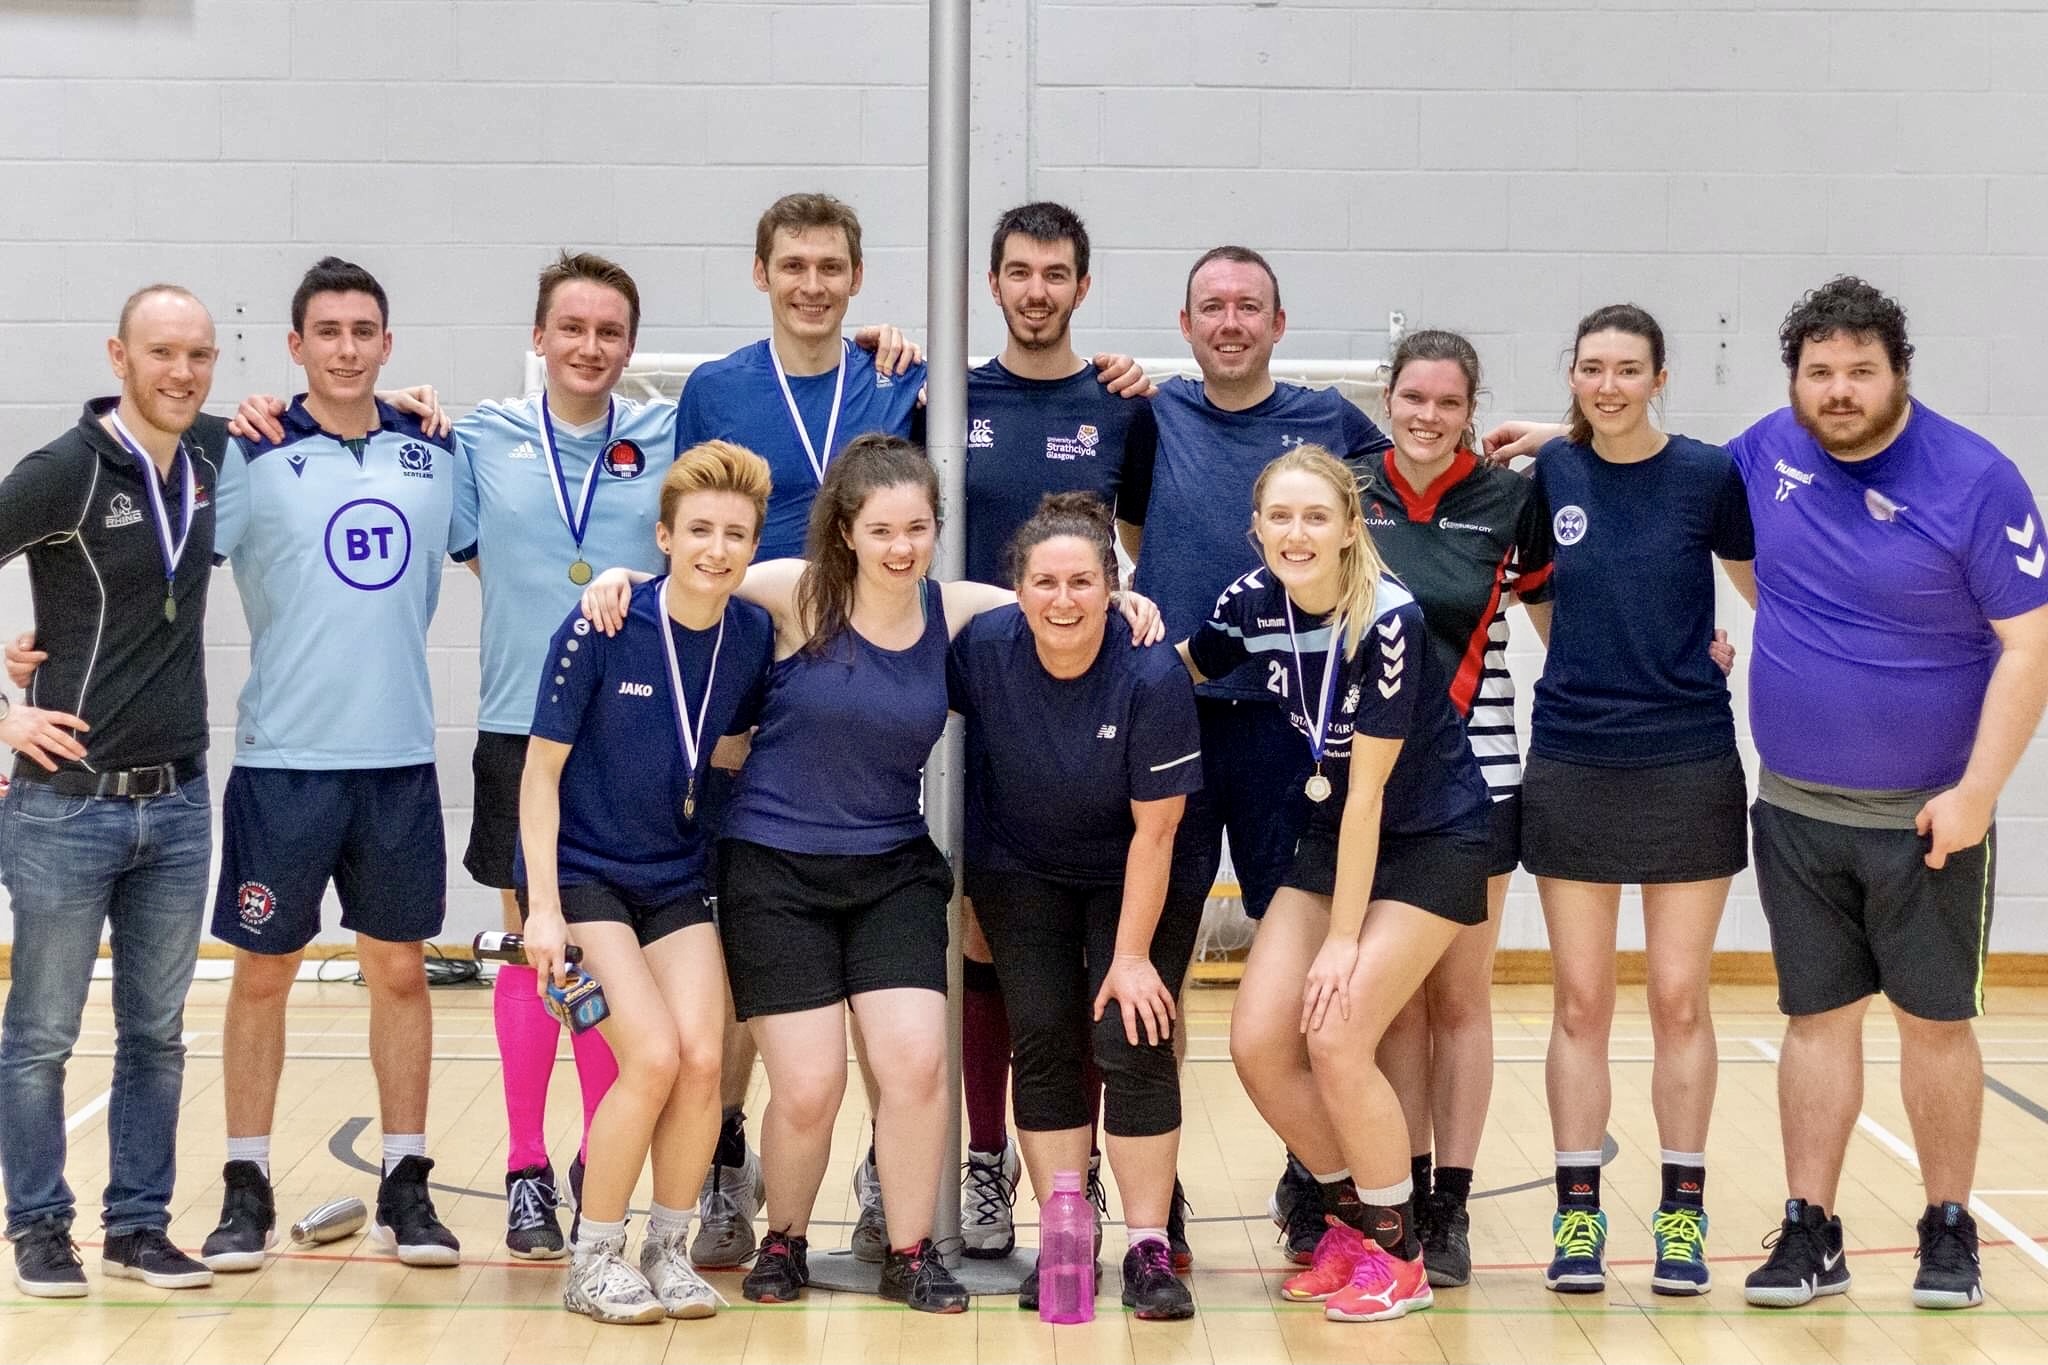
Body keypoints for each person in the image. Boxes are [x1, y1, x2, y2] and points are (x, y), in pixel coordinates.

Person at [581, 434, 1159, 1312]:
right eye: (881, 529)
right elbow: (695, 576)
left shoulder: (953, 608)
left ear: (935, 529)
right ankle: (786, 1238)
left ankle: (911, 1251)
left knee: (918, 1062)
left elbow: (1057, 595)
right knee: (810, 1083)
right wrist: (616, 578)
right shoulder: (791, 592)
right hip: (774, 872)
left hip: (890, 867)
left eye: (917, 528)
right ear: (846, 530)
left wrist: (1130, 601)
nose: (901, 546)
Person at [1118, 244, 1393, 1263]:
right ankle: (1159, 1197)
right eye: (1210, 307)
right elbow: (1134, 529)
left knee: (1307, 975)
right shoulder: (1152, 416)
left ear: (1278, 324)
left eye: (1248, 306)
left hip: (1298, 732)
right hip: (1181, 722)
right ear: (1185, 326)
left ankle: (1314, 1179)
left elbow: (1424, 467)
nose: (1228, 321)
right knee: (1160, 967)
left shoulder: (1329, 420)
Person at [1180, 445, 1493, 1323]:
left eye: (1317, 515)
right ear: (1257, 529)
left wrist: (1344, 942)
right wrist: (1108, 627)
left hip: (1428, 834)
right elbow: (1182, 667)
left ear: (1351, 528)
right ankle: (1354, 1220)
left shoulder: (1389, 618)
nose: (1296, 532)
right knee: (1257, 1043)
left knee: (1338, 1031)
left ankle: (1400, 1254)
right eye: (1279, 517)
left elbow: (1371, 799)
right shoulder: (1248, 601)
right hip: (1334, 828)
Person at [198, 257, 463, 1271]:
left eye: (365, 331)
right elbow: (164, 566)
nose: (347, 348)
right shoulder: (249, 453)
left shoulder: (436, 453)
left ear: (387, 347)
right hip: (284, 763)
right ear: (296, 345)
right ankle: (245, 1182)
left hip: (396, 759)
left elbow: (520, 555)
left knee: (398, 970)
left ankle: (405, 1181)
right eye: (328, 332)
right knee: (263, 973)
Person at [930, 200, 1161, 1261]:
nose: (1035, 289)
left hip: (1082, 699)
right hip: (966, 696)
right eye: (1017, 272)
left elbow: (1146, 540)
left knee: (1105, 966)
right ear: (991, 285)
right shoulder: (943, 395)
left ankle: (1092, 1183)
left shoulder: (1120, 406)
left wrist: (1139, 606)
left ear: (1080, 285)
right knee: (984, 939)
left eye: (1054, 273)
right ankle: (985, 1162)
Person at [1512, 305, 1756, 1298]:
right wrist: (1580, 654)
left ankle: (1680, 1219)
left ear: (1659, 377)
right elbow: (1533, 587)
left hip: (1686, 756)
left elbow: (1758, 588)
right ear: (1570, 376)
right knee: (1576, 1001)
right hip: (1573, 755)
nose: (1606, 385)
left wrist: (1714, 650)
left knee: (1676, 998)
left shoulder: (1706, 476)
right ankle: (1577, 1220)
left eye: (1626, 369)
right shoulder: (1550, 477)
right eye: (1590, 369)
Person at [518, 441, 778, 1323]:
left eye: (735, 533)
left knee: (706, 1060)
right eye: (699, 529)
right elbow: (540, 773)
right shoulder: (601, 621)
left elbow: (730, 745)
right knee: (655, 1055)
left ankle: (667, 1249)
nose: (716, 548)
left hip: (674, 876)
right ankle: (593, 1255)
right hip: (587, 874)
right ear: (665, 535)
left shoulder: (750, 633)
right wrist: (544, 910)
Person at [0, 286, 224, 1298]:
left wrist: (408, 397)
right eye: (163, 352)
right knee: (42, 1033)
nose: (182, 372)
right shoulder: (62, 473)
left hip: (179, 804)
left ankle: (139, 1227)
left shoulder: (216, 454)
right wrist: (3, 715)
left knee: (156, 1034)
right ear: (119, 355)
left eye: (200, 355)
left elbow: (326, 412)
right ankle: (41, 1229)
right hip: (66, 805)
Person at [947, 493, 1201, 1319]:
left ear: (1111, 587)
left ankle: (1149, 1247)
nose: (1064, 599)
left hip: (1139, 863)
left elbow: (1157, 835)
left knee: (1131, 1033)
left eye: (1083, 582)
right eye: (1045, 581)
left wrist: (1129, 958)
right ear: (1016, 590)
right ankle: (1065, 1237)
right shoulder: (984, 646)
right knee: (1048, 1039)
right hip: (1021, 866)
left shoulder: (1151, 671)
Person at [1353, 329, 1552, 1289]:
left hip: (1479, 774)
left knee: (1461, 1000)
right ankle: (1403, 1184)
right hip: (1373, 779)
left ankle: (1453, 1203)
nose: (1427, 416)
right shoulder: (1349, 494)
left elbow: (1568, 624)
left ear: (1472, 409)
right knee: (1391, 1008)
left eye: (1447, 401)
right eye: (1412, 397)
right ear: (1387, 396)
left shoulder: (1513, 499)